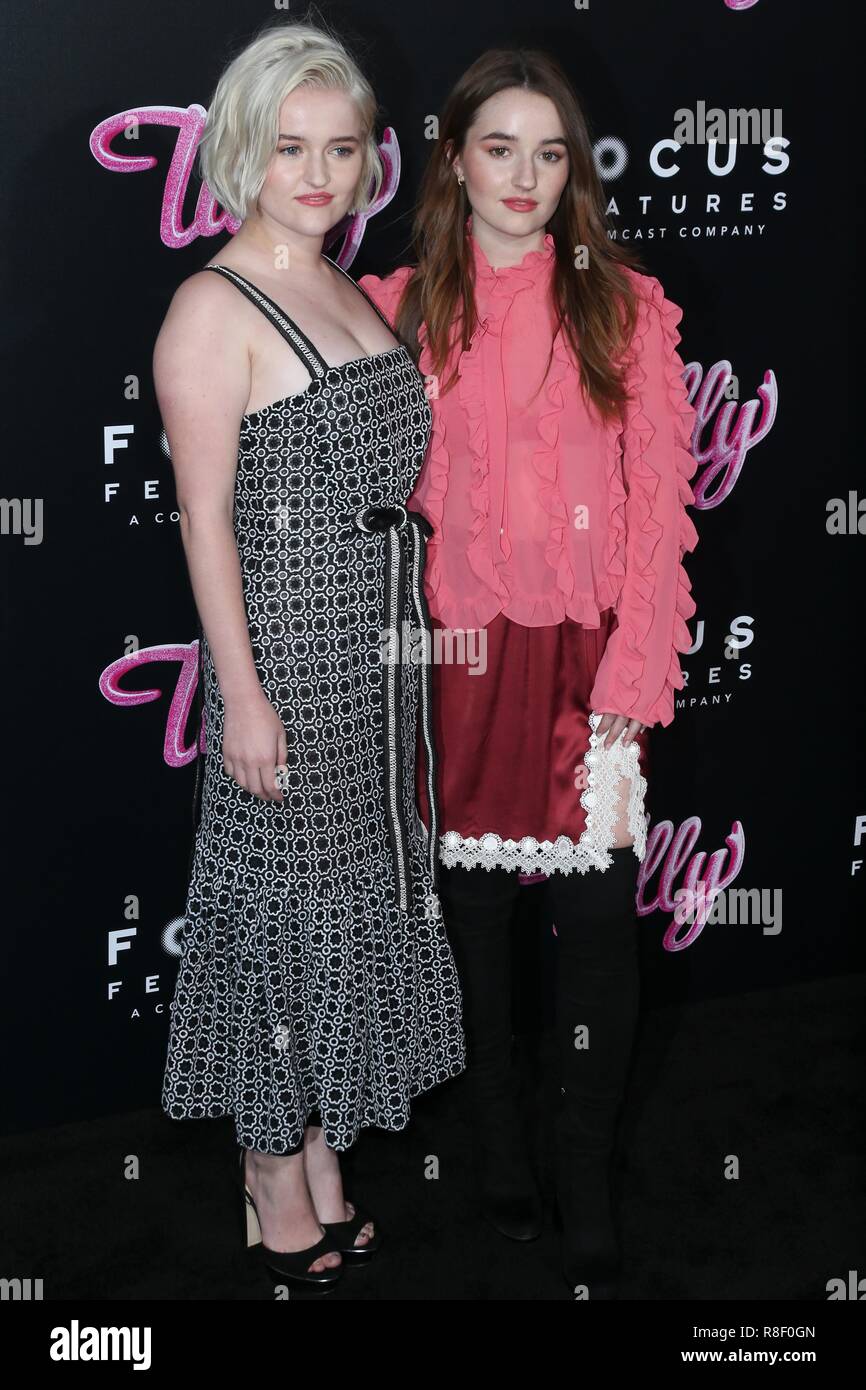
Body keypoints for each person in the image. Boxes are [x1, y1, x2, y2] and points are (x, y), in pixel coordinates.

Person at [359, 47, 699, 1297]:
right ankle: (498, 1146)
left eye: (548, 152)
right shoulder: (394, 308)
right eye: (498, 148)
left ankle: (585, 1168)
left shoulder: (626, 305)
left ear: (575, 171)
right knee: (476, 928)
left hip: (587, 661)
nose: (524, 177)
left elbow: (659, 506)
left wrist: (636, 659)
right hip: (452, 660)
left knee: (601, 929)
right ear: (453, 157)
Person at [154, 17, 465, 1292]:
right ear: (242, 151)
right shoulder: (211, 306)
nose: (319, 173)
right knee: (282, 922)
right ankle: (270, 1172)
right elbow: (202, 514)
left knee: (350, 910)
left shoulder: (347, 282)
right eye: (290, 147)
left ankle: (324, 1145)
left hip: (378, 666)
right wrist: (239, 694)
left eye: (342, 148)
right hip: (285, 659)